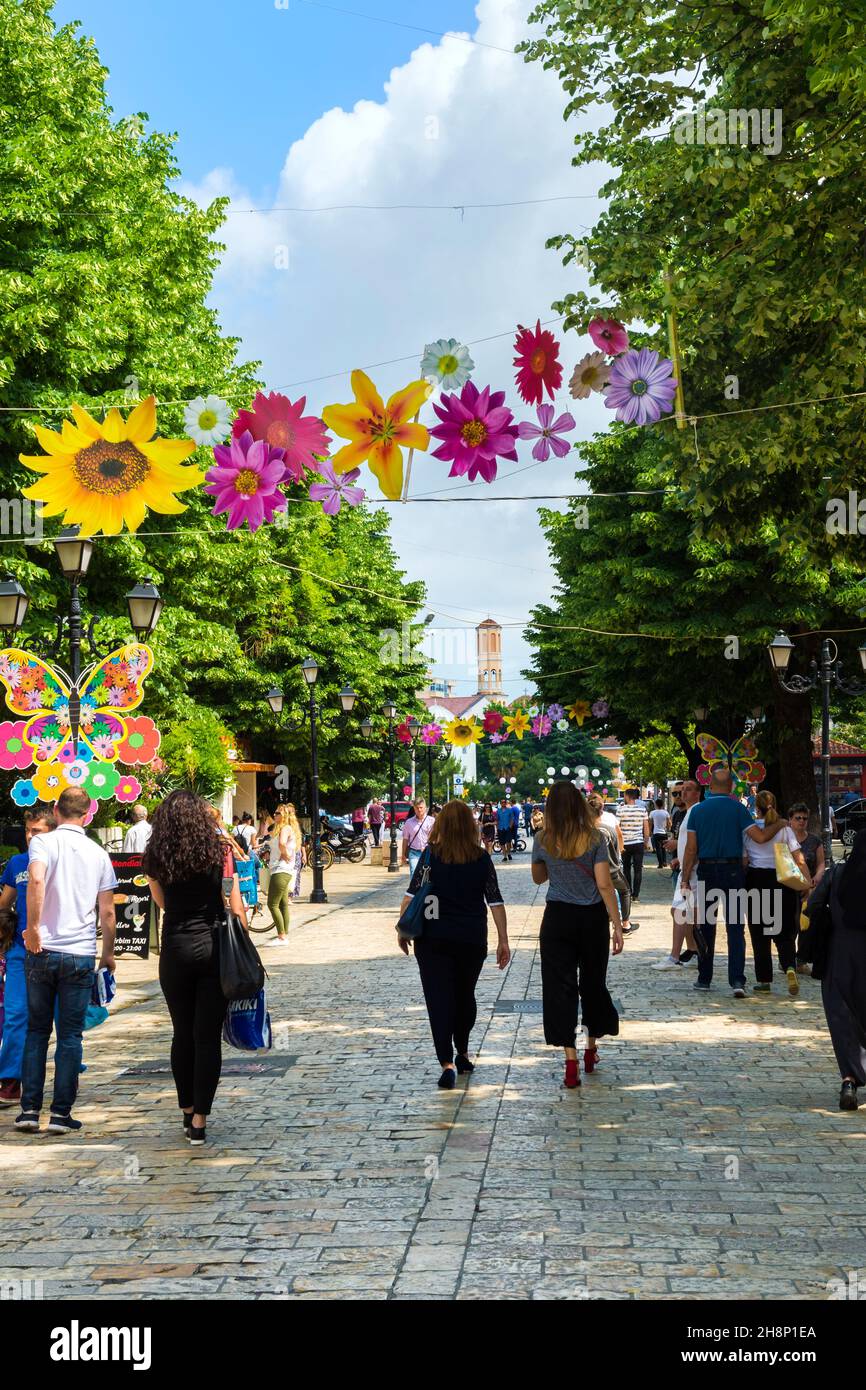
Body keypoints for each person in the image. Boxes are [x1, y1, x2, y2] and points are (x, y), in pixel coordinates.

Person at [144, 790, 248, 1146]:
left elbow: (160, 901)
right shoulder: (217, 850)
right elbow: (231, 900)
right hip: (213, 943)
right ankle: (200, 1120)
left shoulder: (156, 854)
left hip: (175, 945)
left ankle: (186, 1108)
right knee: (207, 1037)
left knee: (181, 1033)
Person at [16, 788, 116, 1136]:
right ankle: (60, 1114)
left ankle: (29, 1109)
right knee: (71, 1036)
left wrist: (32, 928)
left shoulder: (43, 844)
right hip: (79, 952)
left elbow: (38, 879)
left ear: (56, 810)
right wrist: (108, 952)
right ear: (87, 816)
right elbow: (107, 910)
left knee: (36, 1031)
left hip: (42, 949)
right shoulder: (99, 853)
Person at [398, 800, 510, 1088]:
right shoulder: (481, 858)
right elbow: (495, 901)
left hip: (432, 939)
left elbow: (412, 894)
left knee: (439, 999)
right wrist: (503, 940)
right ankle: (462, 1050)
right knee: (464, 995)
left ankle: (446, 1062)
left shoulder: (430, 856)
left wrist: (402, 929)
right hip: (471, 938)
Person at [531, 782, 623, 1089]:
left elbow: (538, 877)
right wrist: (617, 924)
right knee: (593, 983)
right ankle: (590, 1048)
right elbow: (604, 884)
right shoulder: (596, 837)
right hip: (592, 918)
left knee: (560, 987)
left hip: (557, 917)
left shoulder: (543, 837)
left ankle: (569, 1060)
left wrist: (555, 861)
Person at [681, 767, 788, 997]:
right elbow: (759, 838)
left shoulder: (698, 811)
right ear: (731, 787)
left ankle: (704, 978)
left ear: (710, 786)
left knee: (707, 926)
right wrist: (779, 824)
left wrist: (684, 877)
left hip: (707, 871)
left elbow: (691, 849)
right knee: (735, 927)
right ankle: (737, 980)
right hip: (733, 872)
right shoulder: (739, 809)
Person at [0, 810, 57, 1109]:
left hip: (58, 949)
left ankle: (66, 1079)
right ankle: (10, 1080)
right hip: (21, 952)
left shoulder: (62, 862)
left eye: (38, 831)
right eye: (28, 831)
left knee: (61, 1019)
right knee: (16, 1014)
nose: (31, 836)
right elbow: (4, 903)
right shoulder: (17, 863)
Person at [744, 791, 812, 995]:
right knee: (784, 931)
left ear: (757, 808)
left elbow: (744, 861)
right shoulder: (786, 830)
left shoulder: (750, 830)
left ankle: (764, 980)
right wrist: (806, 883)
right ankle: (789, 966)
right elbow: (798, 858)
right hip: (782, 881)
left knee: (759, 933)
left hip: (756, 881)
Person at [819, 828, 866, 1108]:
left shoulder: (837, 874)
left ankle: (849, 1078)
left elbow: (813, 907)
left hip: (840, 956)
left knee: (842, 1016)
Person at [653, 780, 701, 969]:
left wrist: (686, 871)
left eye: (687, 790)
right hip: (686, 868)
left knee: (681, 912)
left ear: (698, 793)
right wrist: (679, 859)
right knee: (683, 912)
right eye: (681, 791)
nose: (682, 794)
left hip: (692, 871)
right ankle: (694, 950)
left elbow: (694, 844)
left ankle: (675, 957)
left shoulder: (696, 812)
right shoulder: (688, 812)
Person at [588, 793, 634, 938]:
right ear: (602, 807)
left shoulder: (582, 825)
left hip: (591, 870)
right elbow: (619, 836)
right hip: (612, 868)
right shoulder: (610, 822)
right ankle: (625, 922)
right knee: (625, 891)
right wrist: (619, 851)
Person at [788, 802, 825, 974]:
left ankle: (801, 959)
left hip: (809, 888)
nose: (802, 821)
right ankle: (787, 958)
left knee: (805, 924)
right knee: (790, 924)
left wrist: (818, 876)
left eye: (804, 818)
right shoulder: (785, 839)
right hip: (789, 887)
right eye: (798, 818)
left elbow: (821, 863)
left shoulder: (814, 840)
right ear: (790, 820)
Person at [267, 803, 300, 944]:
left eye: (277, 813)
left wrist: (285, 854)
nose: (274, 815)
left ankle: (282, 936)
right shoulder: (285, 828)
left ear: (284, 815)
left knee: (272, 904)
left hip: (280, 869)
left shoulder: (285, 828)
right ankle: (284, 934)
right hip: (284, 868)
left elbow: (281, 844)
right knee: (283, 903)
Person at [617, 788, 650, 903]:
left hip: (625, 844)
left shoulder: (620, 810)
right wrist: (646, 842)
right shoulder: (642, 810)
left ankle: (628, 892)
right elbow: (646, 828)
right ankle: (636, 895)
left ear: (627, 796)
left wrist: (618, 843)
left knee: (626, 869)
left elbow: (618, 828)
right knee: (638, 870)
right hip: (638, 843)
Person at [401, 798, 435, 876]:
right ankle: (415, 888)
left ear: (425, 808)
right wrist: (403, 854)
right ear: (414, 808)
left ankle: (424, 888)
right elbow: (405, 839)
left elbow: (435, 838)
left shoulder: (432, 821)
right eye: (417, 808)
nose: (419, 810)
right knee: (414, 873)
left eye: (421, 808)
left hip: (428, 852)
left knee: (428, 875)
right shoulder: (409, 822)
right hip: (414, 853)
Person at [650, 799, 671, 868]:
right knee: (664, 848)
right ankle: (665, 862)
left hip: (656, 833)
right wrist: (668, 830)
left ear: (656, 804)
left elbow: (650, 823)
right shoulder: (666, 813)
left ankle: (660, 864)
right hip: (664, 833)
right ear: (662, 805)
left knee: (658, 849)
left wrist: (650, 831)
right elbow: (669, 823)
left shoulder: (652, 813)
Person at [495, 797, 514, 862]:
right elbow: (497, 820)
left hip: (507, 828)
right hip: (500, 828)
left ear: (506, 803)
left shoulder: (509, 810)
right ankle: (505, 856)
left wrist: (510, 826)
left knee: (508, 842)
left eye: (504, 802)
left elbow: (512, 819)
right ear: (500, 803)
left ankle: (508, 853)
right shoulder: (498, 811)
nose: (503, 803)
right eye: (502, 802)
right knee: (502, 843)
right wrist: (497, 828)